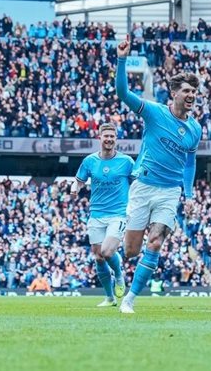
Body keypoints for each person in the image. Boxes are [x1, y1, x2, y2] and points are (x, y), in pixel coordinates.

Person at [114, 36, 203, 314]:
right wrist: (121, 59)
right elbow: (123, 94)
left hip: (169, 192)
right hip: (143, 186)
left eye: (194, 91)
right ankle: (121, 269)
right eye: (186, 90)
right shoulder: (154, 112)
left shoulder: (196, 128)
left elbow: (189, 163)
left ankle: (130, 299)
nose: (191, 95)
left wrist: (189, 194)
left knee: (156, 241)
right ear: (174, 93)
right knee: (131, 250)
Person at [73, 123, 133, 307]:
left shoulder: (126, 162)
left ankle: (119, 275)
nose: (109, 139)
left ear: (116, 139)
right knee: (98, 257)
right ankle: (109, 298)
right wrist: (75, 188)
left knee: (107, 252)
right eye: (106, 136)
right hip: (96, 213)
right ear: (99, 138)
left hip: (118, 213)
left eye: (112, 136)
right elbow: (79, 180)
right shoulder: (90, 161)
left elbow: (137, 183)